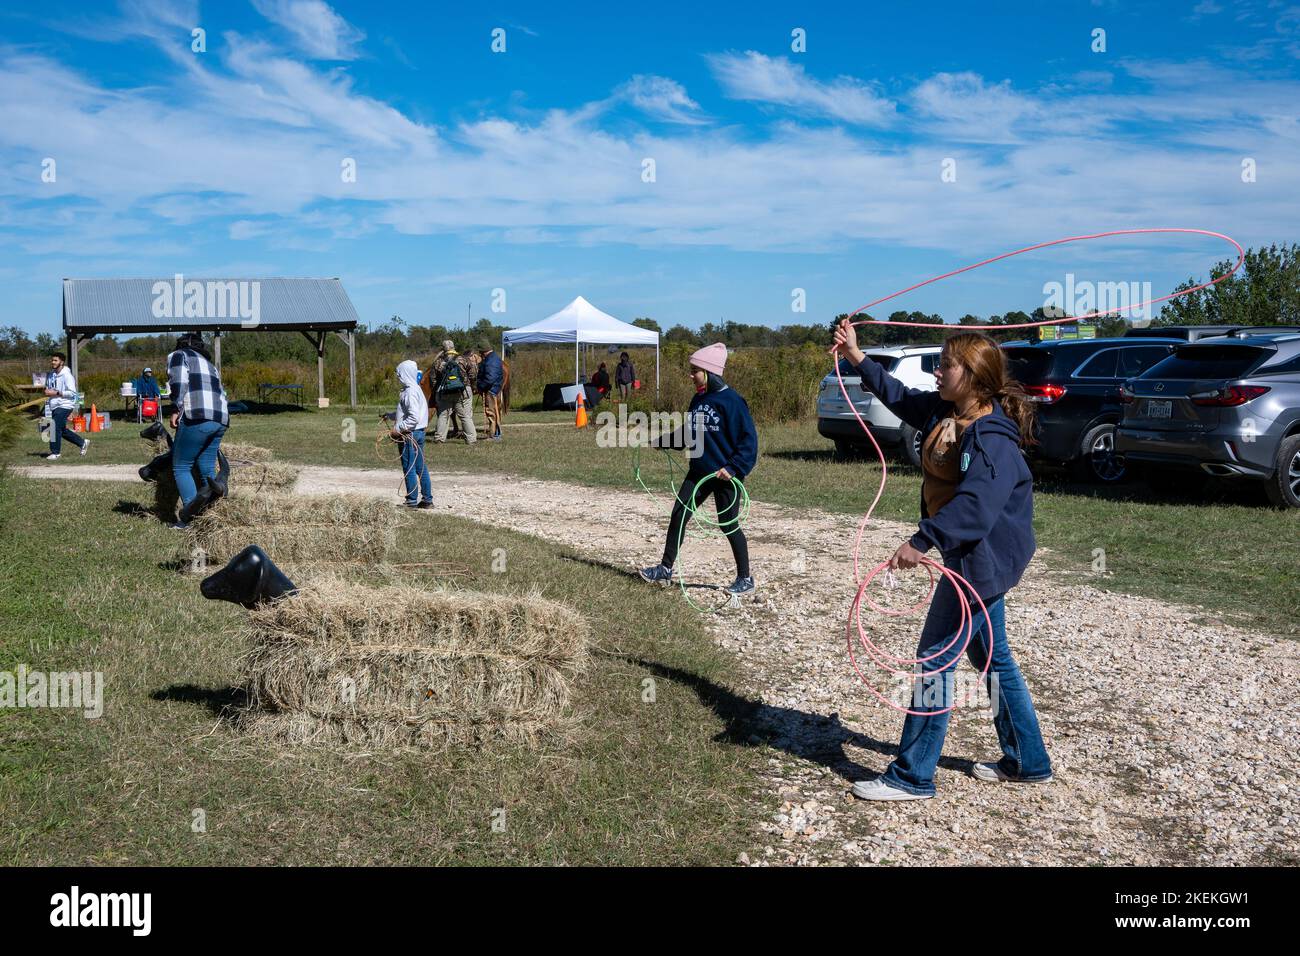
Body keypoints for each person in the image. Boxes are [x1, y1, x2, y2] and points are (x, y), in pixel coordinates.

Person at [832, 319, 1051, 801]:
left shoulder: (991, 437)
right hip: (973, 559)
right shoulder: (945, 410)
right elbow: (899, 396)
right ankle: (1028, 760)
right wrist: (855, 356)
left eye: (946, 365)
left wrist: (922, 540)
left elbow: (977, 506)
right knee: (992, 657)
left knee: (934, 660)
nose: (936, 371)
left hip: (980, 563)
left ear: (970, 376)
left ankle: (912, 775)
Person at [639, 343, 757, 596]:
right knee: (679, 514)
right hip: (698, 473)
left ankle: (745, 578)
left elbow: (749, 442)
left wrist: (733, 468)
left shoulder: (732, 401)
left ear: (710, 372)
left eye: (695, 371)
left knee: (728, 524)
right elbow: (688, 434)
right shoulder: (698, 399)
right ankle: (665, 569)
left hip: (725, 477)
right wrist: (662, 441)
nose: (691, 375)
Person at [167, 332, 228, 529]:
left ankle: (189, 519)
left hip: (197, 415)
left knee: (181, 466)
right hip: (220, 418)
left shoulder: (179, 356)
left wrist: (175, 408)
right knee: (206, 468)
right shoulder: (210, 365)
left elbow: (178, 382)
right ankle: (211, 517)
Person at [393, 360, 433, 508]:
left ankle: (411, 501)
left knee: (409, 467)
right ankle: (427, 499)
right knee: (420, 467)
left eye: (399, 374)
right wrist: (392, 415)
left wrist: (398, 429)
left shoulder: (409, 392)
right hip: (419, 433)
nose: (398, 377)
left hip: (409, 435)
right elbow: (411, 412)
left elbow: (413, 418)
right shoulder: (416, 389)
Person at [431, 340, 478, 444]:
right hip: (463, 391)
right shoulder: (464, 359)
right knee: (465, 416)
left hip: (445, 392)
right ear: (453, 347)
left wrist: (437, 392)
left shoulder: (438, 361)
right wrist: (473, 386)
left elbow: (433, 379)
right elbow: (473, 374)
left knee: (443, 415)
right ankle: (471, 439)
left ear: (443, 349)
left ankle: (439, 438)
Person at [43, 352, 87, 460]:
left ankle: (55, 453)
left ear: (61, 362)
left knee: (54, 426)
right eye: (52, 360)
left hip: (65, 405)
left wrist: (56, 393)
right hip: (54, 405)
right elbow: (50, 389)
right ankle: (82, 442)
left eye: (55, 360)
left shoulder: (67, 375)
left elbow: (72, 393)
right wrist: (46, 390)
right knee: (61, 430)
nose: (53, 362)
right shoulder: (51, 375)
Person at [476, 342, 505, 441]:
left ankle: (494, 435)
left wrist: (481, 386)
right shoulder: (494, 358)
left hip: (490, 390)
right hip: (493, 389)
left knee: (491, 413)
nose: (480, 354)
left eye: (480, 352)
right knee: (493, 412)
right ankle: (495, 434)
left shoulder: (491, 361)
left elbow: (490, 379)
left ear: (483, 352)